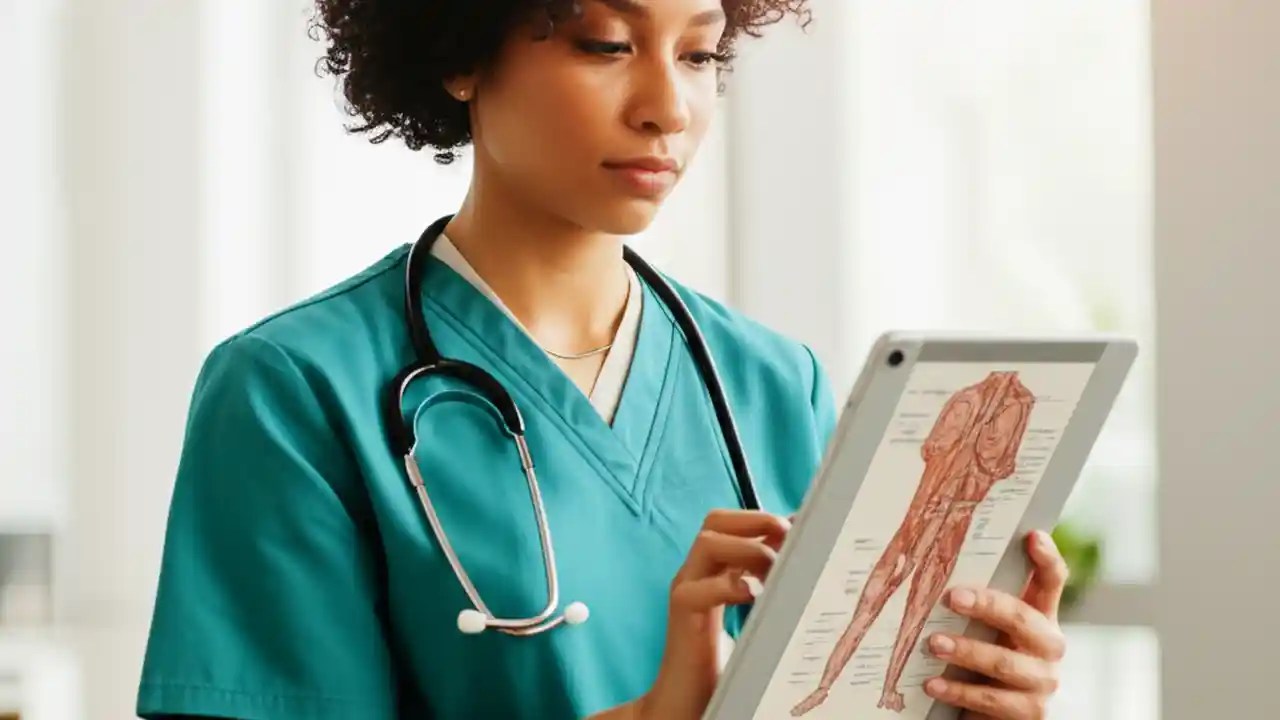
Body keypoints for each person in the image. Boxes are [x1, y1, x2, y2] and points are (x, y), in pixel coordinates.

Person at [135, 1, 1069, 719]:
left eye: (700, 54)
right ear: (460, 52)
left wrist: (967, 697)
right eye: (606, 45)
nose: (668, 108)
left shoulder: (777, 386)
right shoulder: (295, 391)